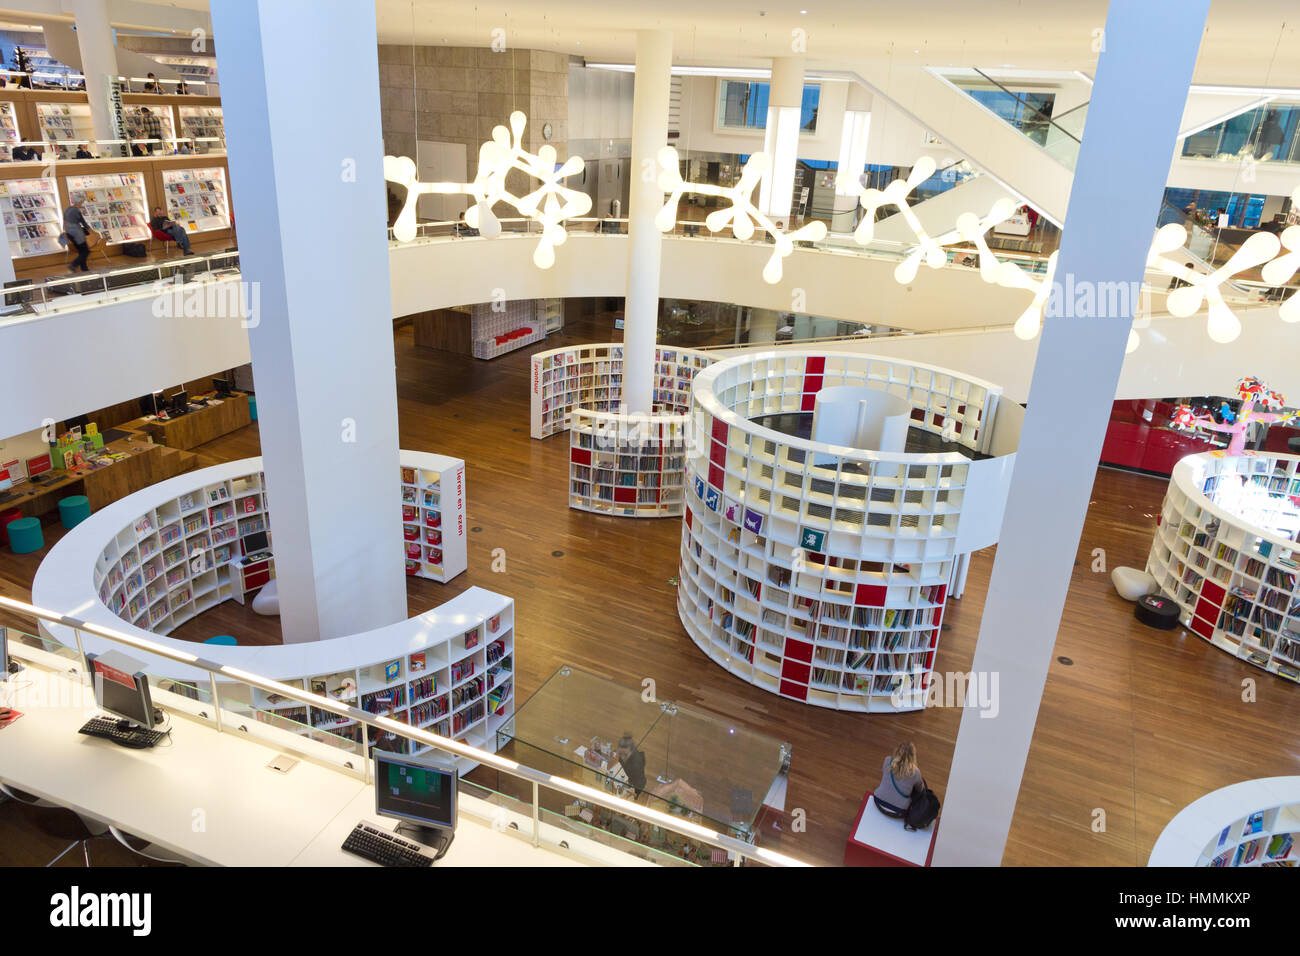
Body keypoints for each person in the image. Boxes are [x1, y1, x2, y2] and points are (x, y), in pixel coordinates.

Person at [874, 741, 923, 818]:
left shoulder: (887, 760)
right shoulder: (915, 771)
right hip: (899, 810)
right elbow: (920, 789)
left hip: (879, 801)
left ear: (897, 751)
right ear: (913, 756)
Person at [63, 200, 94, 273]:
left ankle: (84, 268)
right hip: (77, 233)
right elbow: (83, 223)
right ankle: (73, 265)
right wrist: (92, 231)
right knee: (86, 251)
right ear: (79, 202)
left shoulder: (67, 209)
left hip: (69, 233)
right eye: (81, 202)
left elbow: (64, 222)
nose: (82, 204)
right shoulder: (76, 211)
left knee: (81, 251)